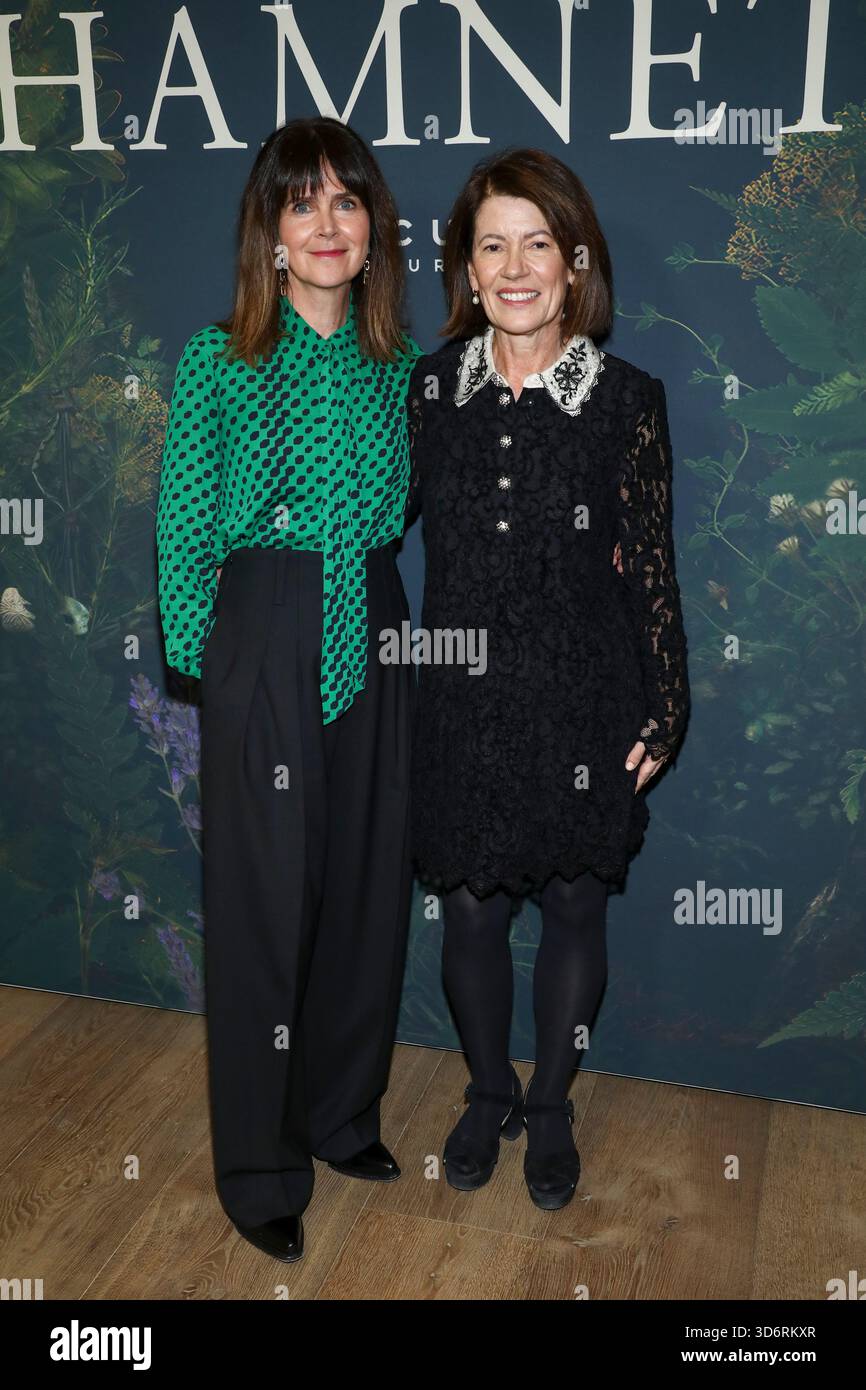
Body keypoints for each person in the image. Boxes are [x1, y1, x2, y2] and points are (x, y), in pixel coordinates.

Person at [156, 117, 422, 1262]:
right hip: (261, 627)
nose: (325, 223)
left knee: (366, 884)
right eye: (298, 202)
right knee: (268, 906)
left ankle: (337, 1114)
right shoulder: (220, 361)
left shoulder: (401, 370)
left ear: (374, 234)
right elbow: (178, 524)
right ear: (266, 234)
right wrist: (208, 663)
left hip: (374, 611)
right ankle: (259, 1162)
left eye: (346, 201)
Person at [405, 147, 690, 1210]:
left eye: (537, 243)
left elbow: (652, 565)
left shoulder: (628, 401)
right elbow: (382, 529)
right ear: (465, 269)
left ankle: (552, 1103)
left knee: (574, 912)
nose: (514, 267)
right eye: (491, 245)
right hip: (462, 700)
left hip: (585, 697)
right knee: (471, 919)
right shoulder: (429, 389)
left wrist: (665, 706)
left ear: (574, 263)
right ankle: (486, 1090)